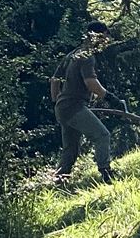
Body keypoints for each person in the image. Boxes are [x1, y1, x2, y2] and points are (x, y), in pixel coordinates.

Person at [50, 19, 118, 184]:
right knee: (102, 135)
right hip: (74, 107)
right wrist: (109, 97)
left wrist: (57, 100)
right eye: (104, 38)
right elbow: (91, 83)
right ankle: (106, 172)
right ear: (97, 37)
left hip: (63, 108)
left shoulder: (72, 54)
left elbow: (54, 79)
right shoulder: (87, 56)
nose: (105, 43)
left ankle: (59, 180)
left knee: (71, 149)